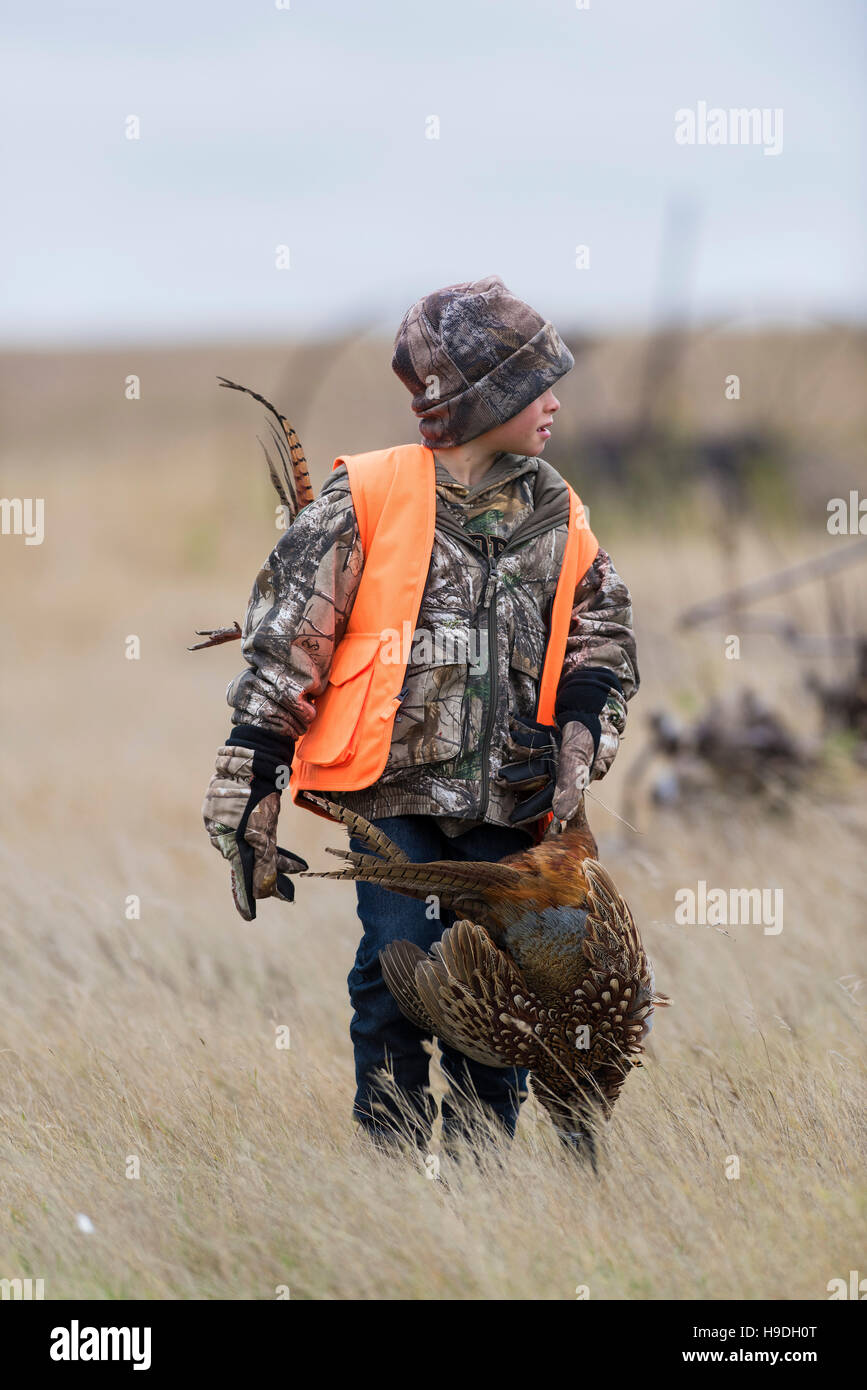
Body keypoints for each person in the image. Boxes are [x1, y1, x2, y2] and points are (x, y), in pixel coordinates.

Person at [202, 275, 639, 1152]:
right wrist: (245, 784)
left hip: (511, 801)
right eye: (533, 385)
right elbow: (288, 645)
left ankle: (481, 1169)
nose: (553, 402)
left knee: (507, 995)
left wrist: (581, 739)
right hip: (388, 797)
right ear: (484, 400)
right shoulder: (364, 496)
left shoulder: (559, 508)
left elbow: (602, 636)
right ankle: (394, 1164)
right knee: (393, 978)